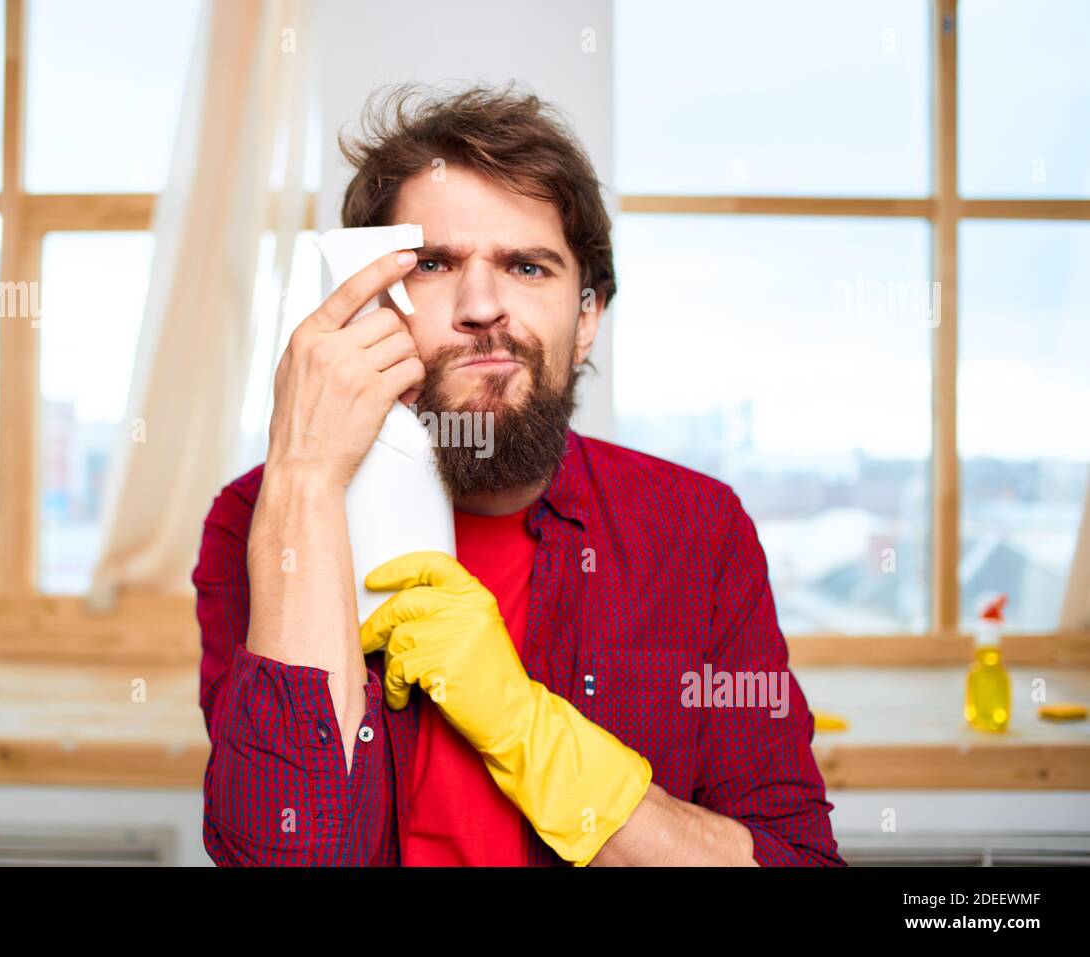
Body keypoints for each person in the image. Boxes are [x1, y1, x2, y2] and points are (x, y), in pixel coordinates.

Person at [192, 81, 844, 867]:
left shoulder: (696, 529)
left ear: (587, 317)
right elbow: (285, 856)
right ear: (371, 302)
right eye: (432, 263)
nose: (482, 305)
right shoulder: (257, 515)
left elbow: (795, 858)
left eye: (528, 267)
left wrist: (524, 726)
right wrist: (302, 475)